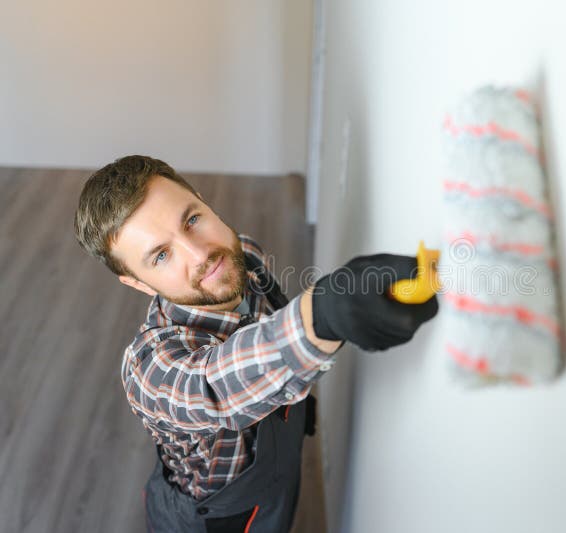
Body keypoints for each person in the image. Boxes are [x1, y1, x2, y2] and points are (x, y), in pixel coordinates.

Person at [73, 155, 439, 532]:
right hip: (216, 521)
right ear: (138, 283)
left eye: (192, 219)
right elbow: (214, 386)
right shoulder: (149, 369)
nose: (201, 254)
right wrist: (324, 315)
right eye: (162, 256)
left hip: (279, 481)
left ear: (203, 200)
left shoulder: (244, 256)